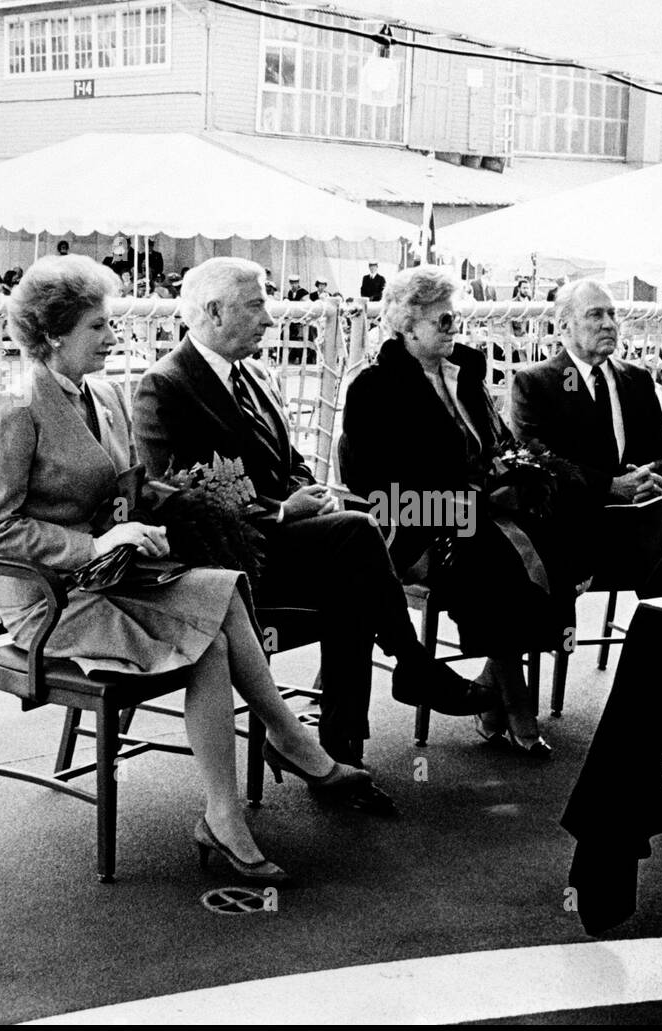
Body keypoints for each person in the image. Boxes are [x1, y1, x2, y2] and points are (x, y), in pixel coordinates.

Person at [0, 255, 391, 881]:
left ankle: (235, 803)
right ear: (54, 334)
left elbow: (130, 487)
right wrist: (96, 545)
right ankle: (272, 764)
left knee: (220, 596)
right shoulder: (16, 409)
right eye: (98, 327)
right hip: (51, 601)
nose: (114, 338)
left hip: (111, 579)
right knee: (213, 639)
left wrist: (190, 506)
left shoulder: (101, 397)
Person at [133, 258, 493, 769]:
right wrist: (282, 512)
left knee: (352, 574)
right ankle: (409, 668)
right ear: (213, 312)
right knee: (356, 537)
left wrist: (308, 495)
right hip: (225, 566)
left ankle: (341, 754)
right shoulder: (164, 386)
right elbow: (179, 500)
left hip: (286, 544)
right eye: (258, 305)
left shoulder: (254, 373)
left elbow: (291, 461)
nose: (271, 319)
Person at [341, 266, 596, 759]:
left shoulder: (466, 374)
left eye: (454, 317)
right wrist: (478, 505)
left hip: (483, 515)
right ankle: (518, 703)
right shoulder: (373, 389)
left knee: (557, 538)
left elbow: (497, 445)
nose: (454, 326)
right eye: (443, 319)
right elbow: (380, 492)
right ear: (406, 326)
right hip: (416, 524)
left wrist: (515, 476)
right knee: (492, 559)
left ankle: (491, 688)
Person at [509, 279, 662, 597]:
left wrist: (650, 477)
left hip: (634, 518)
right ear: (564, 324)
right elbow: (537, 463)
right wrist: (611, 486)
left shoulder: (636, 380)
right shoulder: (536, 383)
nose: (609, 324)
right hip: (574, 524)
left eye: (612, 314)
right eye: (595, 315)